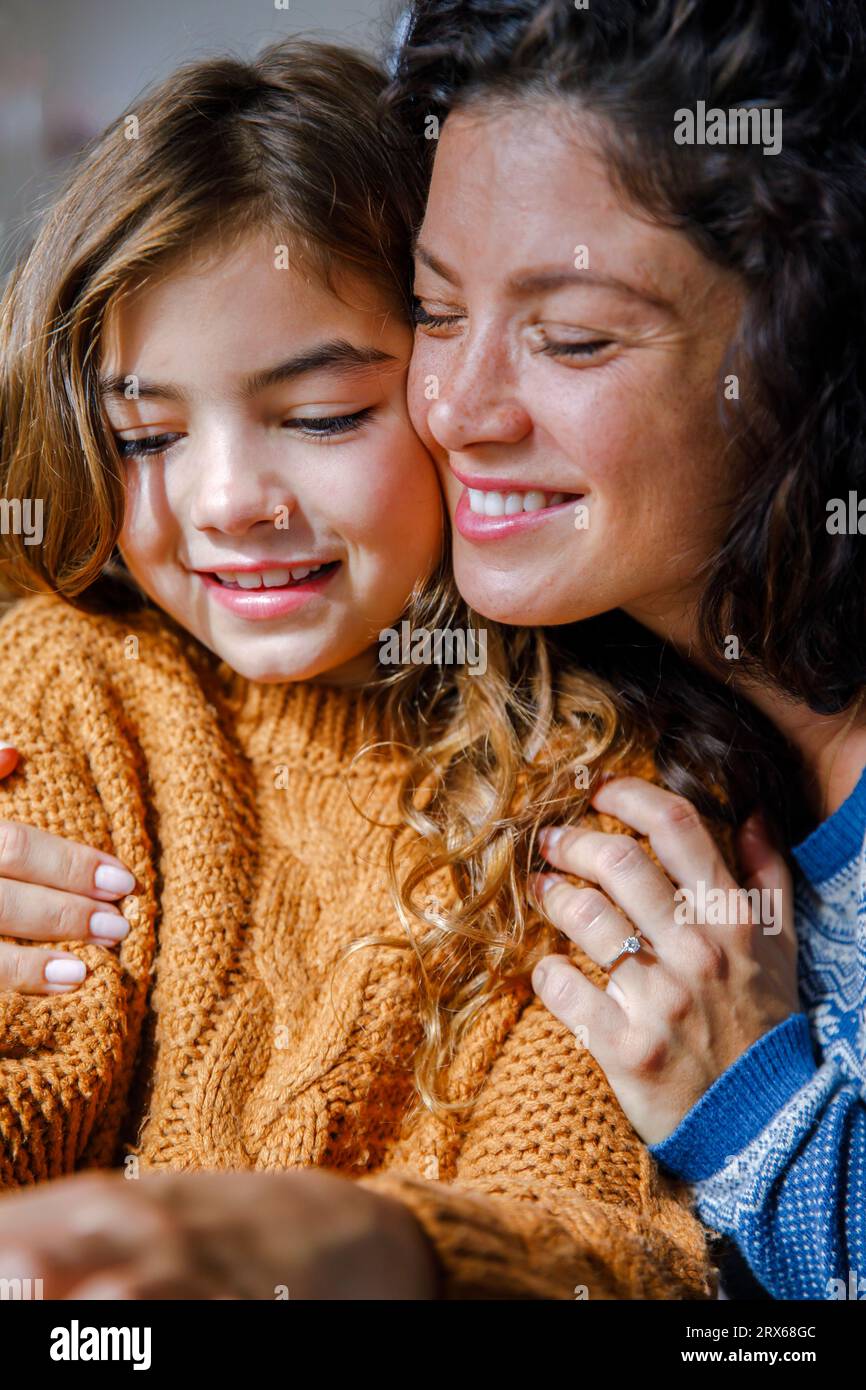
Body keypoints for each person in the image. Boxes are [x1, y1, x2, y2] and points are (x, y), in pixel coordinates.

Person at [0, 39, 711, 1300]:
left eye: (323, 416)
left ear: (451, 387)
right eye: (147, 434)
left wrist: (388, 1256)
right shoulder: (71, 691)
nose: (226, 502)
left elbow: (608, 1243)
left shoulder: (602, 790)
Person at [385, 0, 866, 1299]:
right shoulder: (569, 668)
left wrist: (757, 1106)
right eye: (434, 309)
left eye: (572, 336)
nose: (457, 409)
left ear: (805, 350)